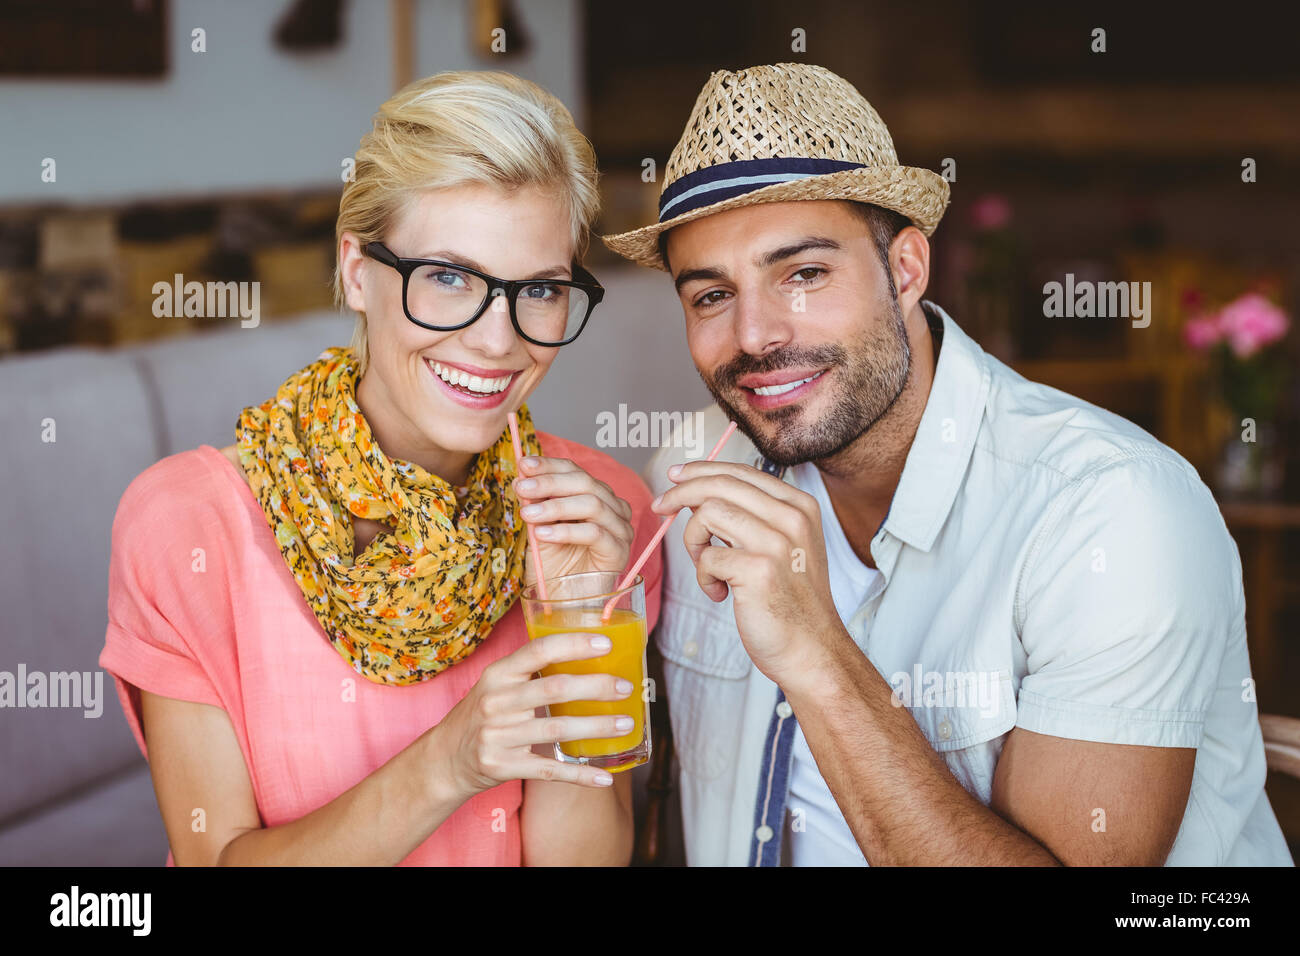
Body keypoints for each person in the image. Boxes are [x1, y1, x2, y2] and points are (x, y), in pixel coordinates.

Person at [603, 62, 1293, 866]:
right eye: (711, 296)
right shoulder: (689, 476)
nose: (755, 335)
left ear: (906, 270)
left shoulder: (1112, 513)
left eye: (804, 274)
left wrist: (816, 654)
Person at [99, 70, 663, 866]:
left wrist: (581, 614)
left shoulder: (611, 515)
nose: (497, 341)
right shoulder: (189, 525)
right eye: (448, 277)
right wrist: (449, 760)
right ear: (359, 271)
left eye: (538, 289)